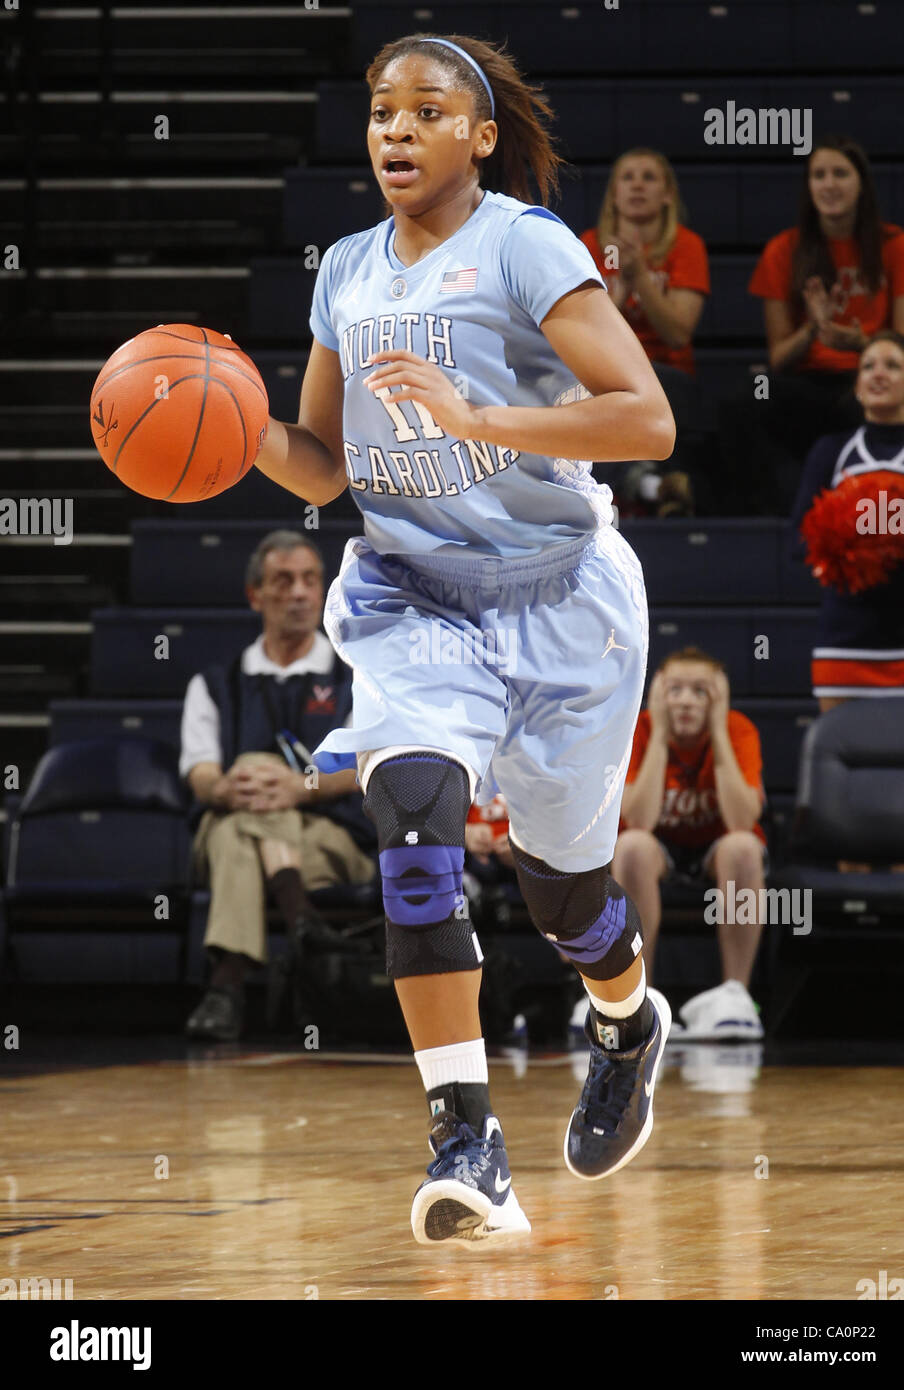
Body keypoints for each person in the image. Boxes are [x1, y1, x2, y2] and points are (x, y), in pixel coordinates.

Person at [252, 31, 676, 1245]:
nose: (393, 129)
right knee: (416, 818)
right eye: (381, 109)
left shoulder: (527, 243)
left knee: (563, 890)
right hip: (412, 592)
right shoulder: (343, 268)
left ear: (478, 137)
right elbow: (323, 463)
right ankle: (465, 1135)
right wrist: (234, 433)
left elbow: (642, 421)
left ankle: (625, 1018)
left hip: (561, 599)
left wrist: (479, 415)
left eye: (426, 110)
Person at [181, 531, 376, 1042]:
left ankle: (225, 988)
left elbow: (362, 767)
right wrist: (234, 789)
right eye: (283, 581)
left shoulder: (354, 678)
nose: (299, 593)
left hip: (331, 839)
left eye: (311, 580)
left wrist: (297, 786)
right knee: (240, 791)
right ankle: (302, 918)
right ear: (256, 595)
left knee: (235, 838)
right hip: (241, 824)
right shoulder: (214, 684)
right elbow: (201, 775)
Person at [718, 134, 904, 515]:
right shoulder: (784, 249)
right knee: (748, 399)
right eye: (819, 175)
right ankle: (783, 518)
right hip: (807, 381)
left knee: (871, 404)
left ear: (861, 184)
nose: (829, 184)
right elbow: (779, 357)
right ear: (809, 186)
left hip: (865, 380)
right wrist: (813, 328)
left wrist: (860, 342)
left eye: (841, 174)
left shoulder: (903, 247)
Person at [610, 647, 767, 1040]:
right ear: (656, 694)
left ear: (720, 699)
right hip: (657, 847)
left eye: (701, 691)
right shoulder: (640, 728)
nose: (685, 700)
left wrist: (718, 730)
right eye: (674, 689)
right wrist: (661, 737)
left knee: (744, 848)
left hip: (716, 846)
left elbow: (741, 820)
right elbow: (639, 819)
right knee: (630, 846)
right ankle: (637, 997)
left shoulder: (738, 728)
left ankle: (736, 994)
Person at [792, 331, 904, 711]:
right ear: (857, 386)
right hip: (846, 640)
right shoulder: (832, 451)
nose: (878, 374)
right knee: (842, 756)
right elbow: (797, 542)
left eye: (892, 366)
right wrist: (841, 541)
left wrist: (891, 532)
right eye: (868, 366)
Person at [580, 148, 709, 514]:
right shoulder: (588, 244)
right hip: (605, 373)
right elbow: (583, 336)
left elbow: (678, 334)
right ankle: (653, 486)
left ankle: (644, 487)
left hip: (667, 374)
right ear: (614, 194)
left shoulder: (686, 246)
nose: (637, 185)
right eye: (628, 177)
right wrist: (616, 300)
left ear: (667, 194)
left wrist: (641, 279)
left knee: (633, 395)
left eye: (649, 178)